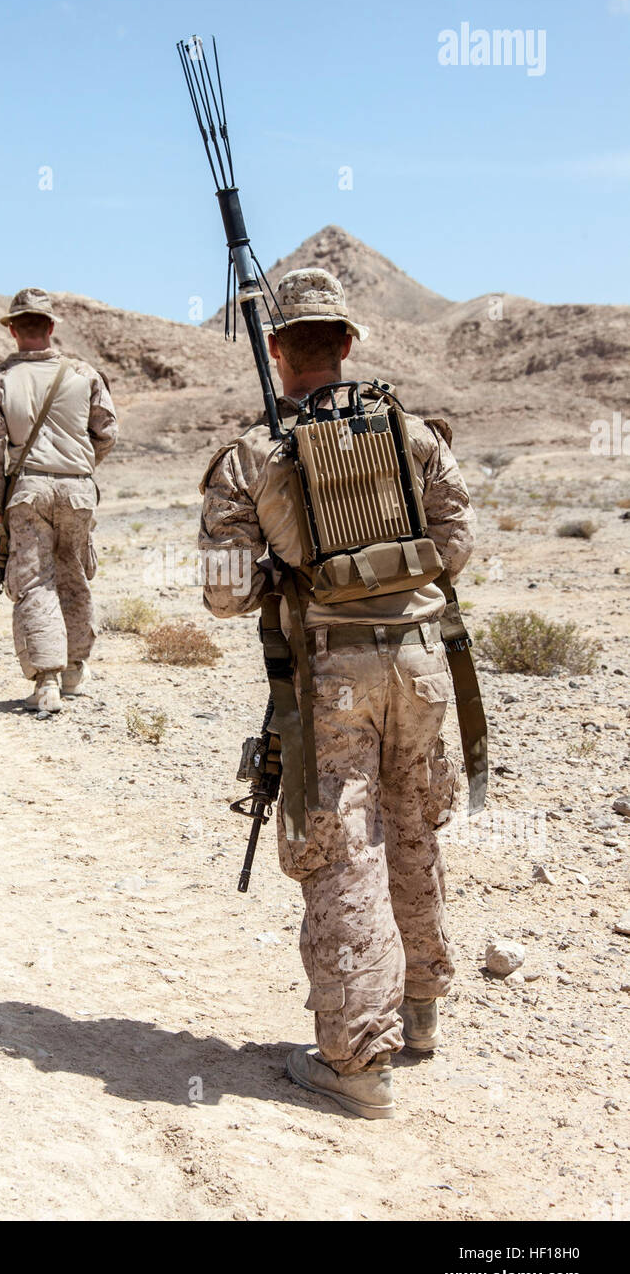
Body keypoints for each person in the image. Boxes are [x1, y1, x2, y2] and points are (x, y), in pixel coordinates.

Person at [198, 268, 476, 1119]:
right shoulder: (413, 434)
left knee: (342, 846)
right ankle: (419, 1011)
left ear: (277, 351)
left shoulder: (253, 453)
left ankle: (357, 1063)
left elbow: (221, 591)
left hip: (331, 672)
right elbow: (456, 543)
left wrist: (286, 561)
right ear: (349, 344)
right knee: (412, 824)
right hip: (425, 663)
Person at [0, 288, 117, 714]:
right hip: (77, 490)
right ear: (50, 328)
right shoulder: (85, 374)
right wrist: (79, 468)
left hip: (27, 493)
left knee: (35, 581)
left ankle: (47, 682)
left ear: (14, 330)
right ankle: (74, 669)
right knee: (74, 574)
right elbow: (107, 432)